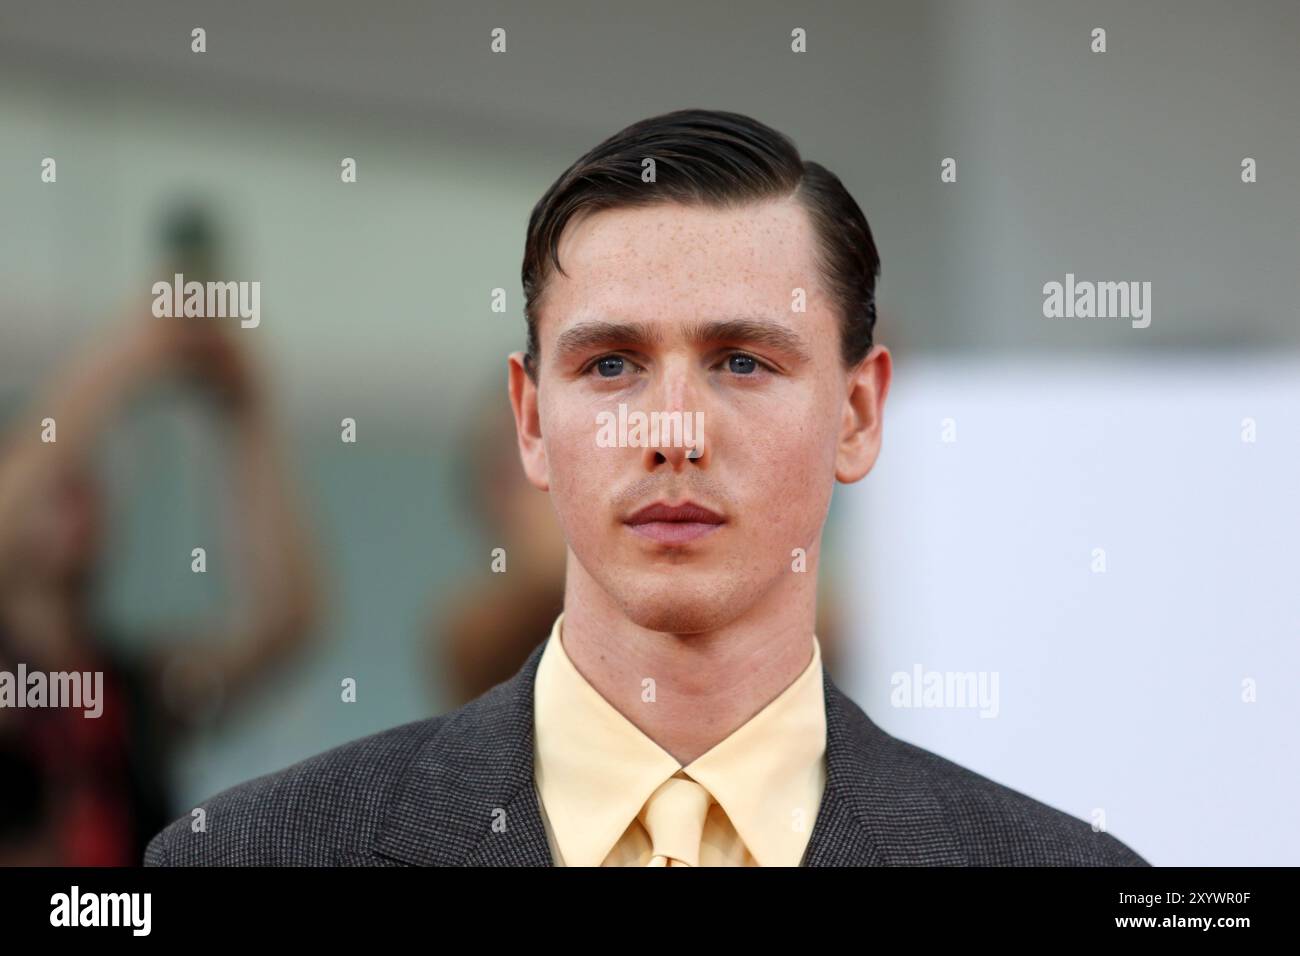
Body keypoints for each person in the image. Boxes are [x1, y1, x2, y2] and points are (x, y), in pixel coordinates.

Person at [145, 109, 1149, 866]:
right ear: (530, 418)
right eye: (612, 365)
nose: (673, 430)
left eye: (744, 362)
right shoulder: (243, 856)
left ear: (856, 412)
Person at [0, 246, 320, 865]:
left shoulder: (131, 693)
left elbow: (285, 624)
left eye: (83, 477)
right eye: (50, 475)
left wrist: (245, 409)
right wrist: (124, 357)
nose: (72, 483)